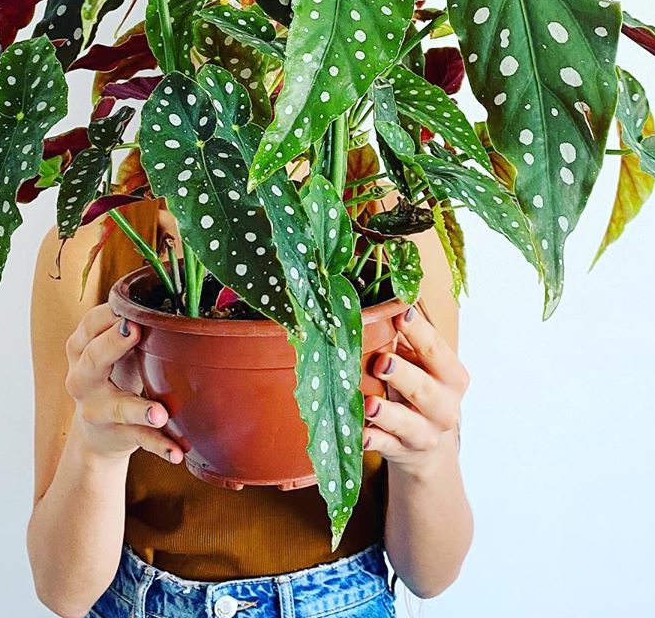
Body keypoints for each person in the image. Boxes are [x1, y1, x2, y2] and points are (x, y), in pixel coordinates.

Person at [27, 197, 473, 618]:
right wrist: (96, 451)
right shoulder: (93, 241)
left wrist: (424, 459)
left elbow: (431, 576)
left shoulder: (403, 234)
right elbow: (62, 590)